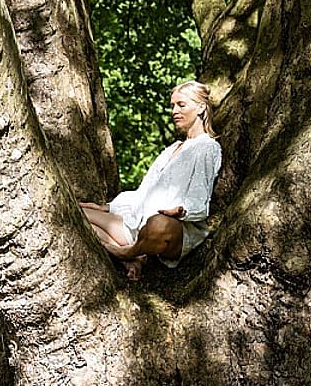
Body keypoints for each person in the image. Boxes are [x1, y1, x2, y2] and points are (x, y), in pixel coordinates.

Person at [81, 80, 222, 279]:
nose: (174, 111)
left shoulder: (207, 147)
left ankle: (127, 252)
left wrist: (181, 211)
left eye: (181, 105)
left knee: (158, 223)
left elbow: (201, 199)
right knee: (76, 213)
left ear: (200, 107)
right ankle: (132, 258)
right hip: (140, 226)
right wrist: (109, 207)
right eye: (172, 105)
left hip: (172, 230)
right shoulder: (172, 149)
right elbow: (145, 192)